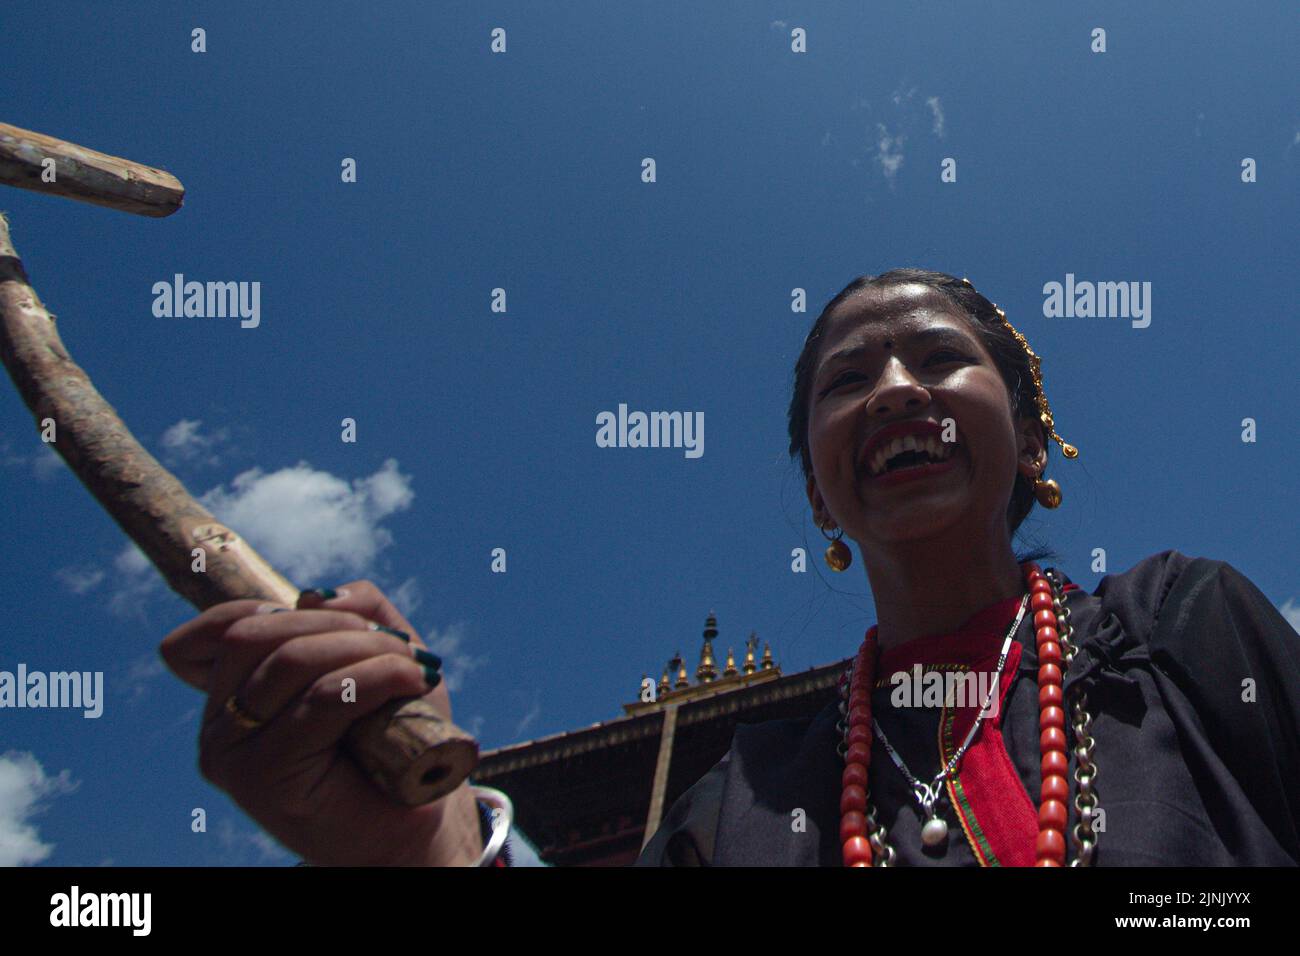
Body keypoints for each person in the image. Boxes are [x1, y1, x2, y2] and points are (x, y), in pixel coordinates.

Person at [160, 269, 1300, 867]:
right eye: (848, 379)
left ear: (1033, 441)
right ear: (819, 488)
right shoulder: (746, 794)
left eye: (942, 356)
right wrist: (427, 847)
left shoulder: (1178, 627)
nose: (897, 385)